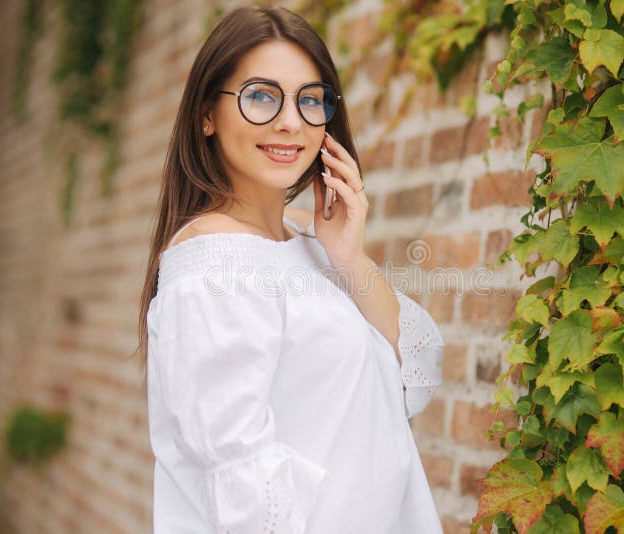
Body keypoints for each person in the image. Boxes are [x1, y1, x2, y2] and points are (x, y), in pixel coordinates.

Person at [136, 5, 445, 533]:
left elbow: (418, 372)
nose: (290, 121)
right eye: (260, 95)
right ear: (206, 114)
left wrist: (349, 256)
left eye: (310, 100)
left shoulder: (310, 238)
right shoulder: (213, 270)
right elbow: (247, 497)